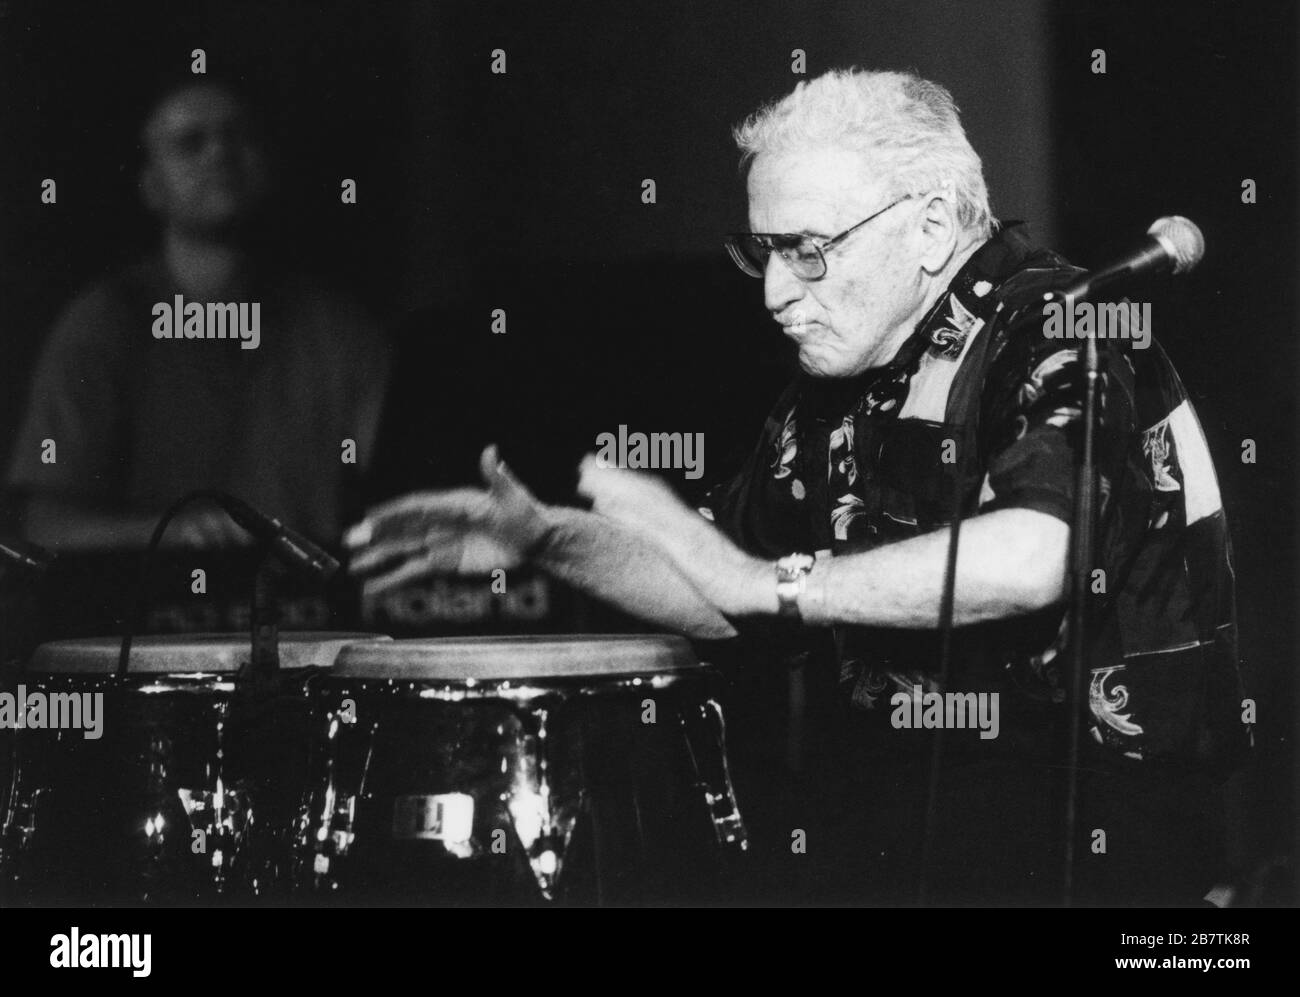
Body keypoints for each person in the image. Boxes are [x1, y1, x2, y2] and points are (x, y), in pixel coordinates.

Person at [346, 69, 1248, 905]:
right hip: (932, 841)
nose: (777, 290)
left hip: (1113, 858)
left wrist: (777, 584)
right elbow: (723, 587)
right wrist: (547, 538)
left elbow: (1032, 555)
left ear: (931, 227)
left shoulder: (1066, 325)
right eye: (762, 251)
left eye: (809, 249)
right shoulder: (838, 384)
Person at [6, 78, 390, 551]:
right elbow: (47, 526)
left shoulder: (338, 330)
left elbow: (399, 491)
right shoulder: (99, 327)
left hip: (312, 612)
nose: (219, 154)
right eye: (191, 143)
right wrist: (179, 536)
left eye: (239, 136)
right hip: (149, 615)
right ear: (150, 185)